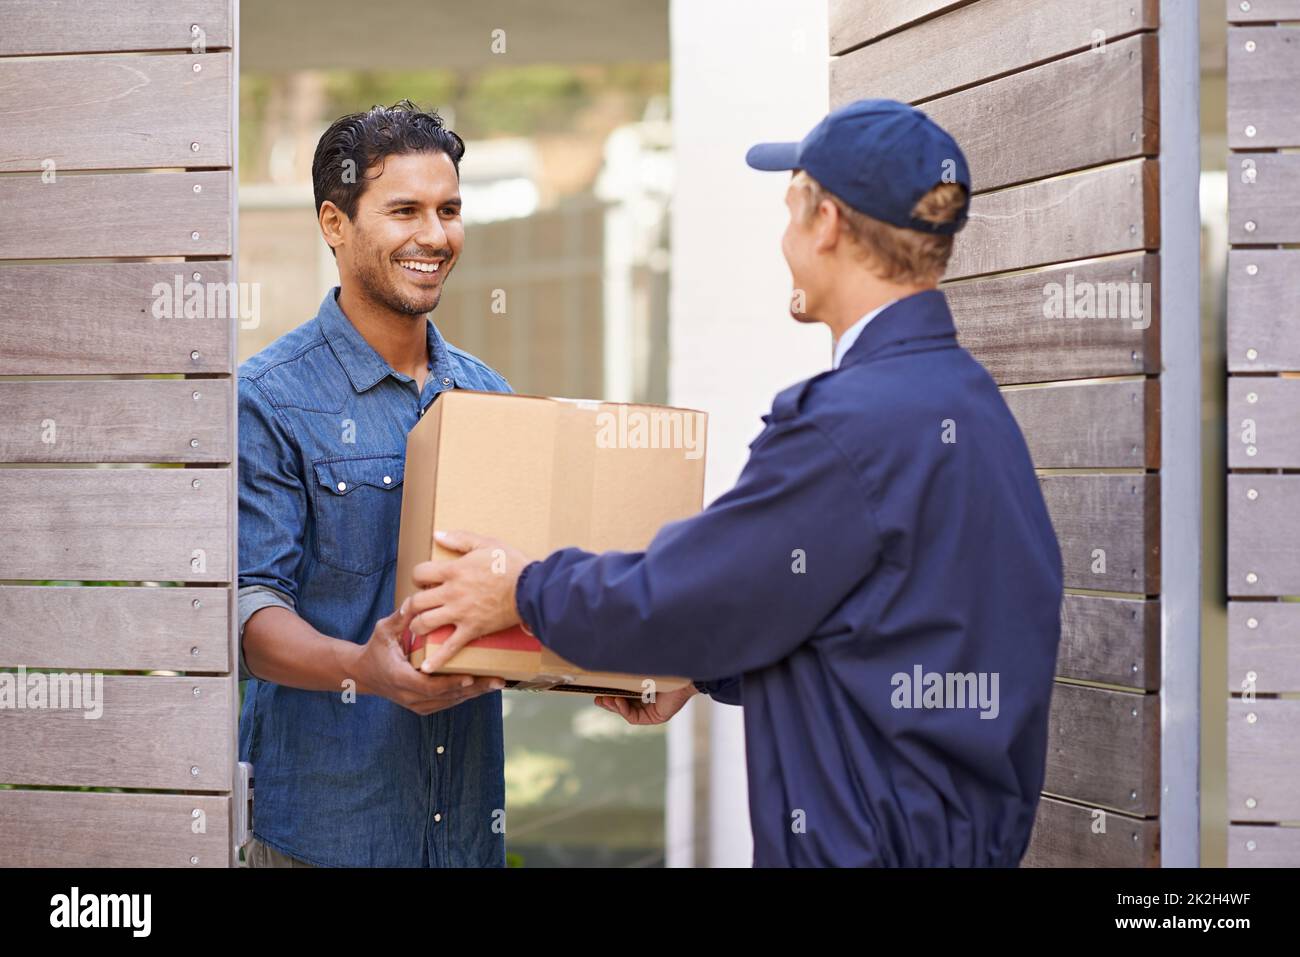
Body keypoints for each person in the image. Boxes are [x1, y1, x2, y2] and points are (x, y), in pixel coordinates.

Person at [404, 99, 1065, 867]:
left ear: (827, 225)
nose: (785, 240)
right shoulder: (968, 404)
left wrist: (521, 590)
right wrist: (702, 666)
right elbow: (875, 630)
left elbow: (692, 591)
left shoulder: (849, 426)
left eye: (791, 211)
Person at [238, 101, 508, 867]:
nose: (435, 235)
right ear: (335, 222)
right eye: (405, 210)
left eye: (449, 209)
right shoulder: (268, 397)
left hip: (464, 833)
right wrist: (365, 669)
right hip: (325, 836)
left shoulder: (488, 396)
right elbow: (251, 614)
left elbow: (516, 583)